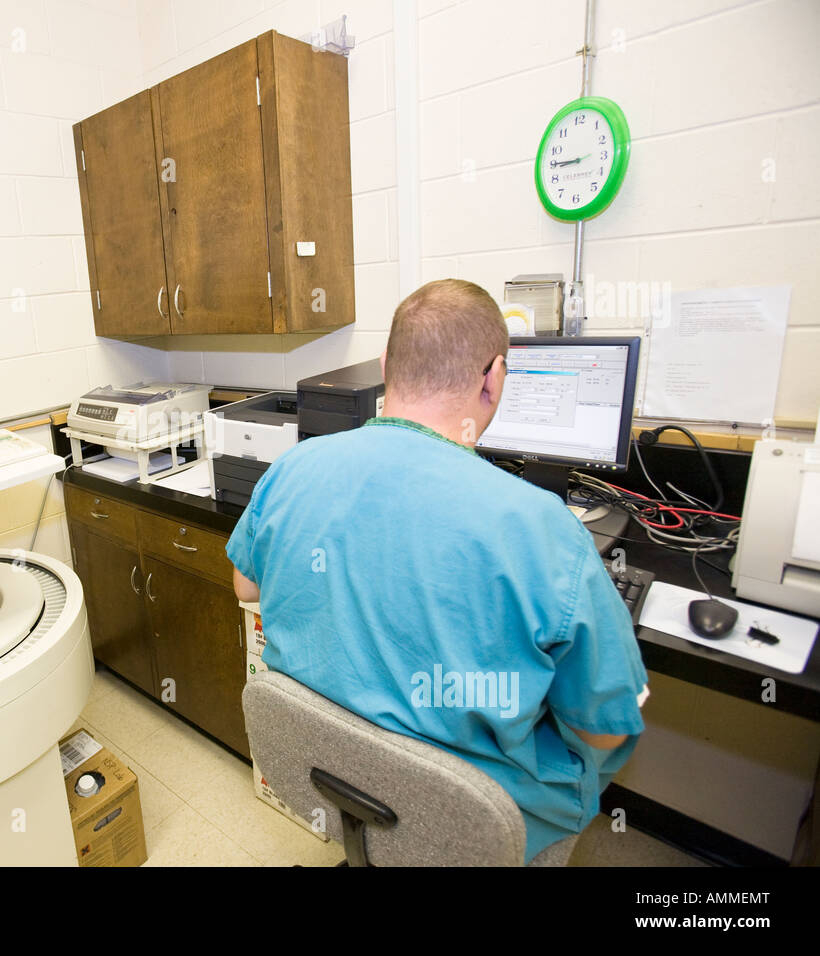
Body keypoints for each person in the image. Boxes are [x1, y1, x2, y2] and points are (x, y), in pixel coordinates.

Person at [227, 278, 649, 863]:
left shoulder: (295, 467)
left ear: (385, 366)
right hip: (475, 823)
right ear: (494, 377)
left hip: (329, 775)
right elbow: (606, 729)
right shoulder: (542, 528)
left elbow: (246, 586)